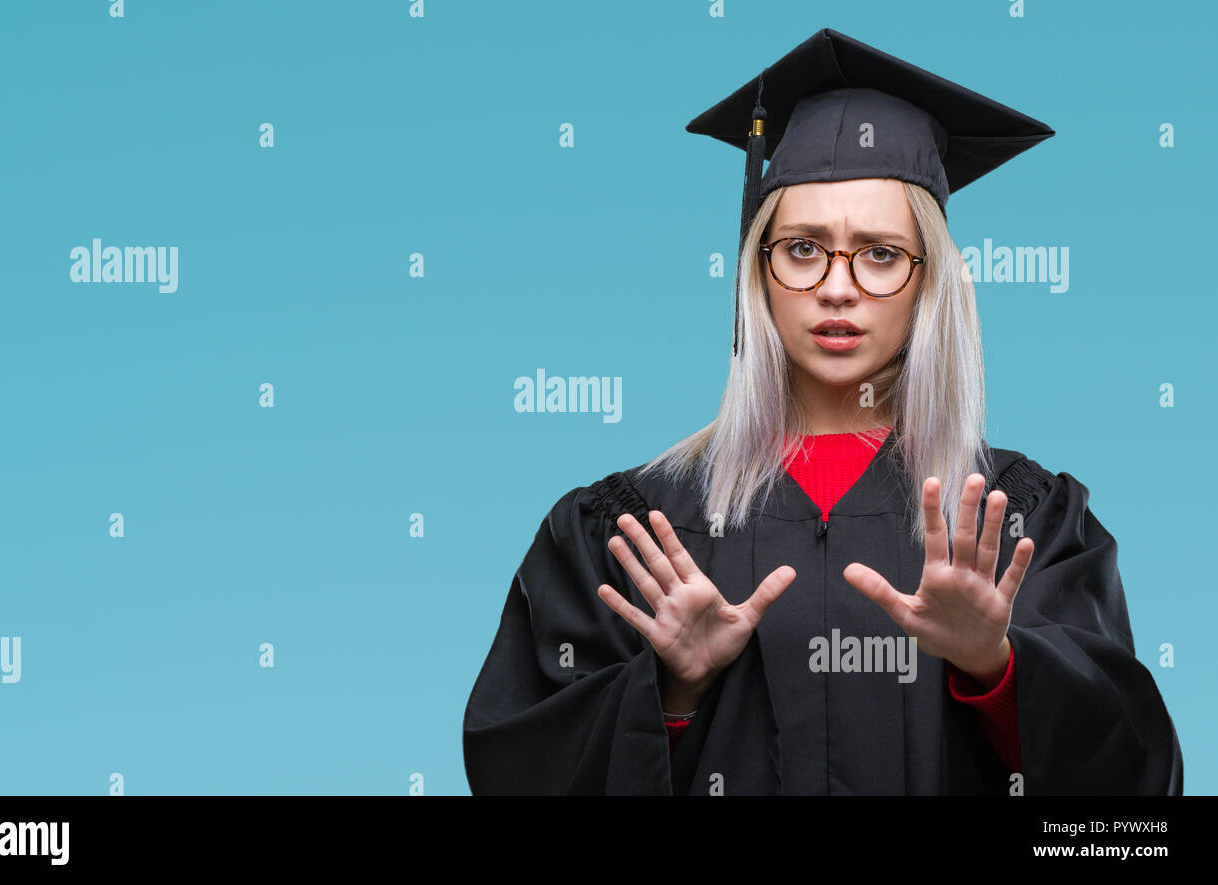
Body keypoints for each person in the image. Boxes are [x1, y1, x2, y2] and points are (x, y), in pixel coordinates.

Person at [462, 28, 1183, 795]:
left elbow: (1133, 801)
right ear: (758, 270)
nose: (837, 287)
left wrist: (997, 667)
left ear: (929, 283)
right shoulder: (637, 530)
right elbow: (515, 767)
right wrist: (669, 695)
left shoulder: (1019, 523)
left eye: (879, 253)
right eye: (803, 248)